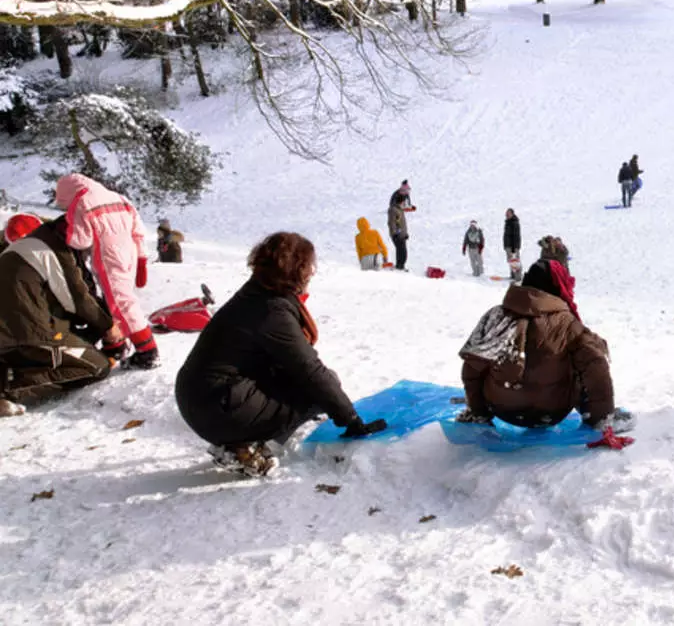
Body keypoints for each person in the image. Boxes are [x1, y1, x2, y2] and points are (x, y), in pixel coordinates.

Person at [175, 232, 385, 477]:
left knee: (305, 383)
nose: (312, 272)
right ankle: (243, 445)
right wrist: (350, 420)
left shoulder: (256, 292)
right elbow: (310, 370)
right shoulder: (272, 311)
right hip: (218, 408)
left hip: (199, 398)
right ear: (296, 270)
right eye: (308, 266)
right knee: (321, 387)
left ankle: (241, 438)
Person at [455, 235, 630, 435]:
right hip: (551, 411)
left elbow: (472, 367)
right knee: (585, 361)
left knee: (483, 362)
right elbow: (596, 365)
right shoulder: (568, 324)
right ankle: (596, 418)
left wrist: (479, 411)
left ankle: (479, 414)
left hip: (501, 408)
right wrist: (603, 415)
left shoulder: (496, 316)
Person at [0, 215, 117, 417]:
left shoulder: (11, 252)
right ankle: (12, 389)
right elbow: (75, 299)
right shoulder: (44, 249)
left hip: (11, 336)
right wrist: (108, 326)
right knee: (97, 366)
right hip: (29, 335)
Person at [54, 173, 157, 369]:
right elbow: (138, 230)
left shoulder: (81, 201)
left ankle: (148, 350)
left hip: (108, 257)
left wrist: (66, 227)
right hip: (130, 253)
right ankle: (117, 343)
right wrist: (141, 259)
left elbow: (79, 240)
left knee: (121, 302)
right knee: (120, 300)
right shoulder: (119, 197)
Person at [387, 191, 410, 271]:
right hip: (397, 234)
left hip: (402, 234)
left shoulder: (400, 210)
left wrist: (405, 233)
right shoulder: (393, 210)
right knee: (401, 251)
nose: (405, 204)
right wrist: (394, 233)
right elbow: (391, 223)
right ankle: (399, 267)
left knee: (403, 252)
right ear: (400, 201)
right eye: (404, 202)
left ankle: (401, 266)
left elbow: (402, 223)